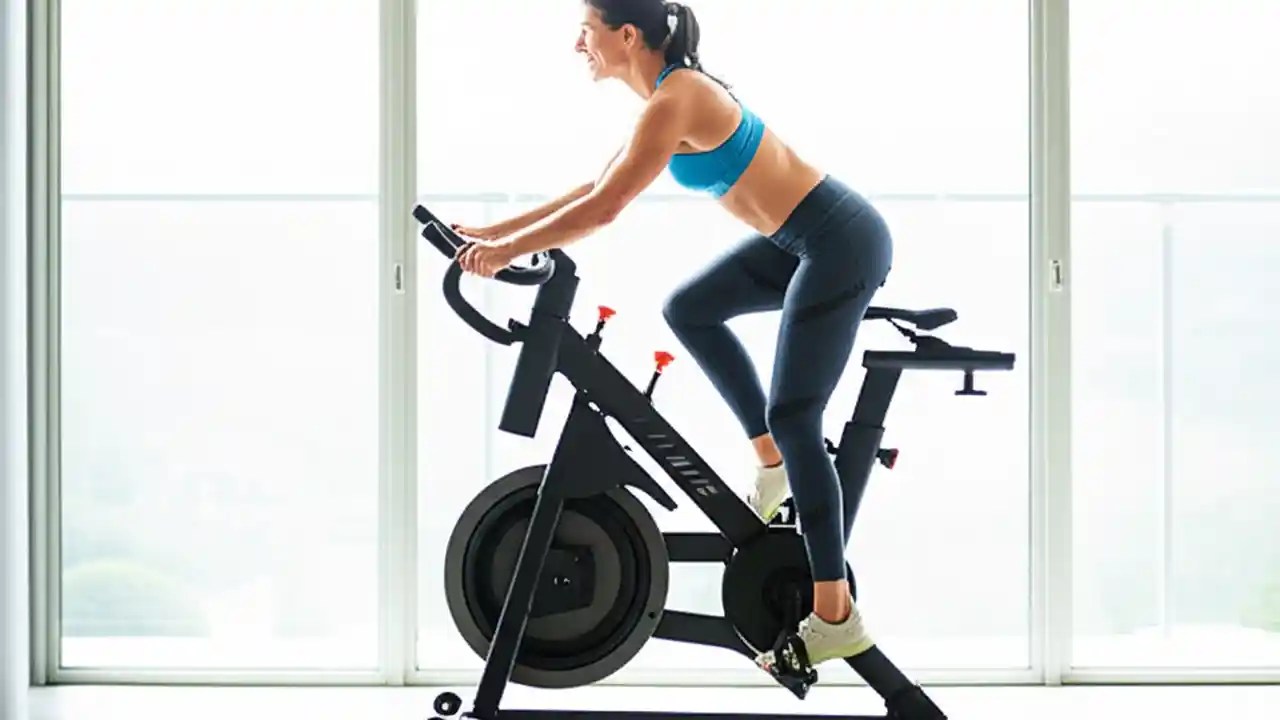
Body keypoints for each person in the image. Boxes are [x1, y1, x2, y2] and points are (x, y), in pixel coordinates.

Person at [451, 0, 893, 675]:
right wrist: (494, 236)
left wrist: (507, 250)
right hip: (801, 240)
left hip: (839, 241)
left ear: (625, 35)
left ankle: (836, 615)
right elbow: (595, 184)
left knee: (797, 414)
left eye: (586, 32)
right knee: (691, 309)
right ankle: (770, 460)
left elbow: (604, 210)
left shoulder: (679, 96)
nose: (578, 46)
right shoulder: (666, 98)